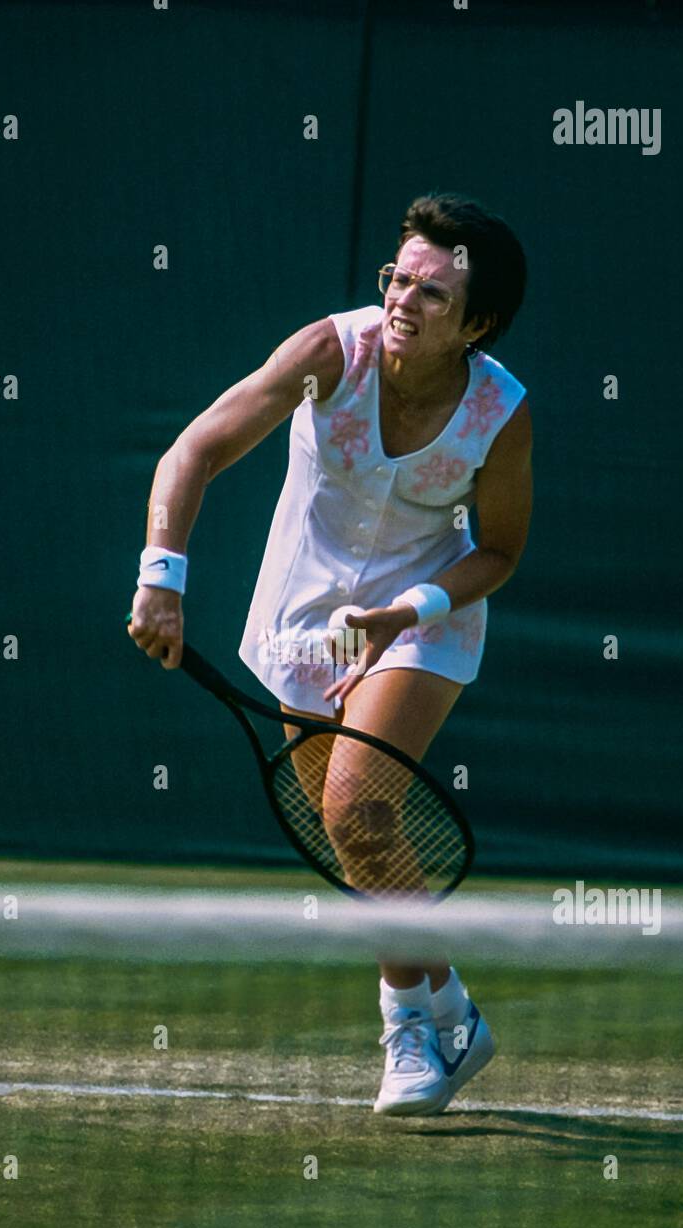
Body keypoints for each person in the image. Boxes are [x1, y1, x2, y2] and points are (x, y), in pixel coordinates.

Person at [128, 192, 532, 1117]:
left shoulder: (501, 412)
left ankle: (405, 1026)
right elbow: (194, 449)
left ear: (477, 325)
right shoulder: (329, 352)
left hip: (423, 616)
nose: (402, 301)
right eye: (399, 278)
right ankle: (451, 1008)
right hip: (302, 621)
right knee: (356, 832)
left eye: (432, 293)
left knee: (355, 802)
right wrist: (161, 576)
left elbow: (501, 550)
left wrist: (409, 610)